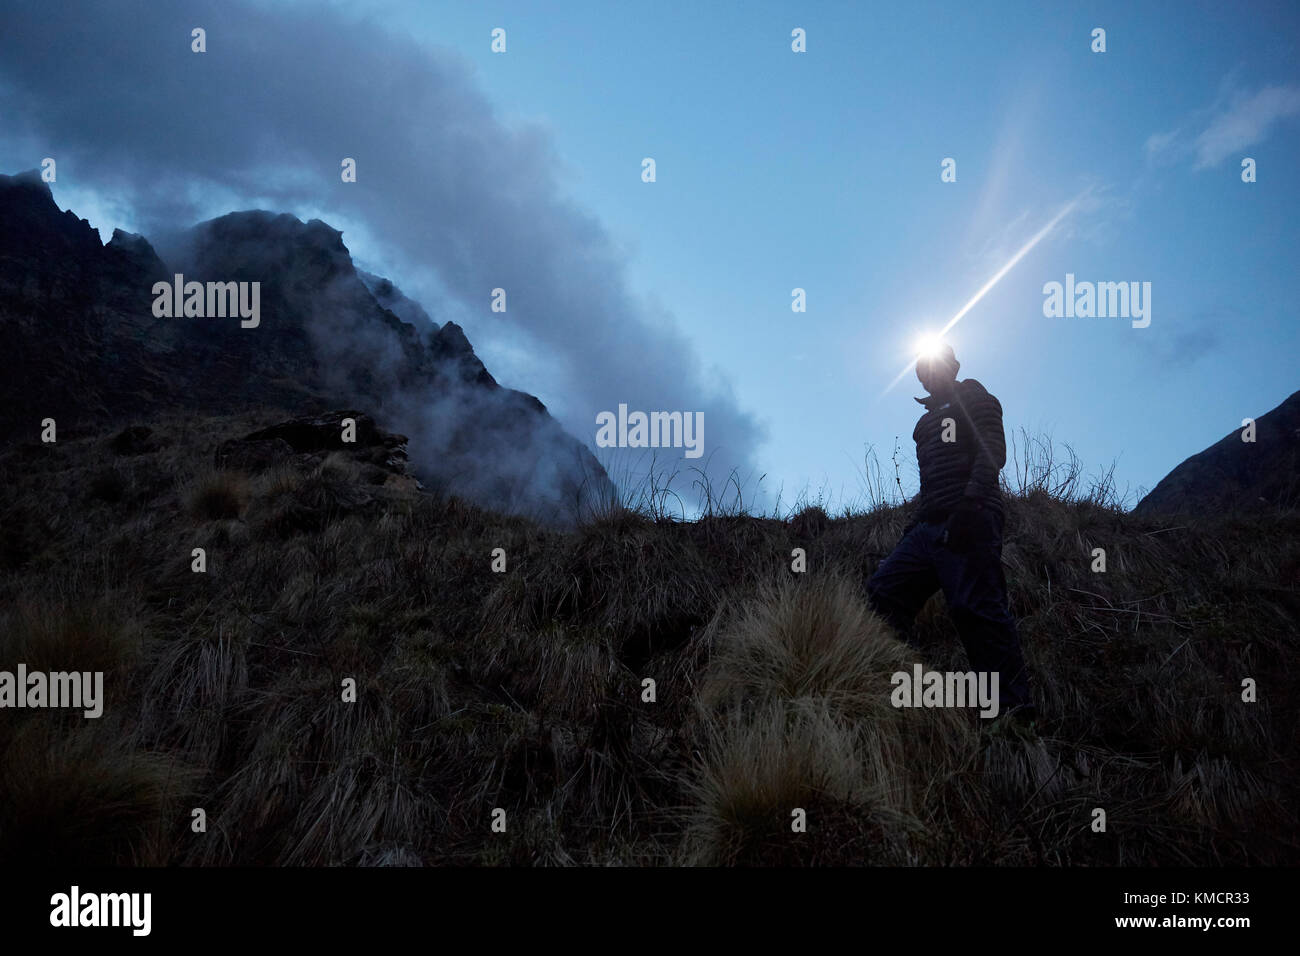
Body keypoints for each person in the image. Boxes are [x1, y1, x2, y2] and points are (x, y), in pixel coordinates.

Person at [866, 342, 1036, 723]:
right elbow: (930, 484)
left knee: (976, 608)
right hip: (928, 527)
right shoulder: (924, 424)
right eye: (922, 368)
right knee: (883, 593)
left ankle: (1012, 713)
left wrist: (971, 506)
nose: (929, 373)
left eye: (936, 365)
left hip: (972, 517)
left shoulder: (976, 397)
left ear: (953, 367)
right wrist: (914, 528)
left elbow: (992, 450)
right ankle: (889, 685)